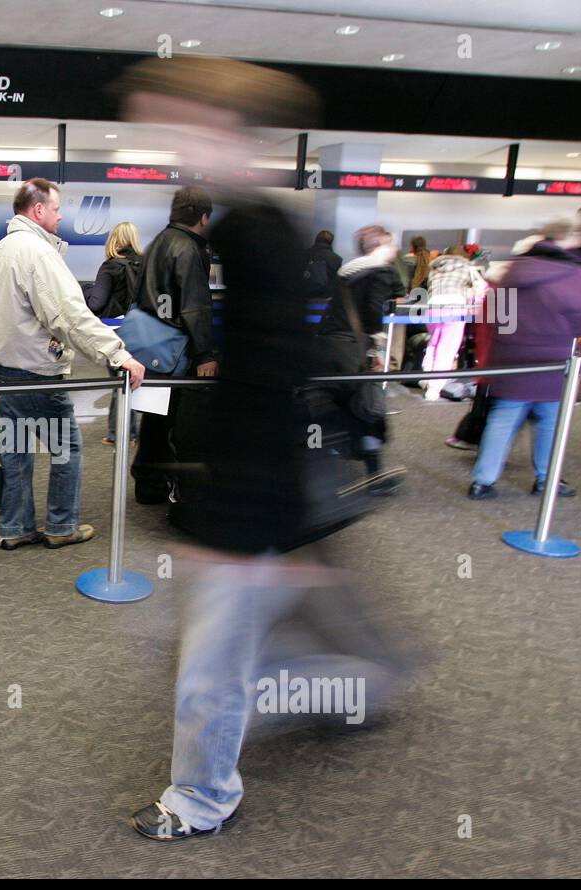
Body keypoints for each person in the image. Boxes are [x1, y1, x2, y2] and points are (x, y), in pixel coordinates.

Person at [115, 55, 409, 843]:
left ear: (218, 128)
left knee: (210, 667)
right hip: (253, 488)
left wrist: (247, 515)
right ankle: (362, 684)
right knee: (217, 651)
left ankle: (202, 797)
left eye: (178, 123)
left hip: (254, 491)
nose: (171, 142)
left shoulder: (257, 231)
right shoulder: (252, 224)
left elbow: (272, 379)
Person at [0, 178, 145, 550]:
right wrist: (118, 354)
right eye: (56, 208)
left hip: (2, 370)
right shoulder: (37, 254)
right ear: (38, 211)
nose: (61, 214)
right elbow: (70, 317)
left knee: (16, 452)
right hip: (36, 373)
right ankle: (61, 525)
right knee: (67, 449)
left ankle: (15, 527)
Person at [467, 217, 581, 500]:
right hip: (554, 358)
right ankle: (546, 479)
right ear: (573, 239)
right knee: (552, 421)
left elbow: (496, 315)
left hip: (511, 356)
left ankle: (483, 481)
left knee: (503, 418)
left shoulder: (513, 269)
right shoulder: (573, 274)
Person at [131, 186, 217, 503]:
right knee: (173, 422)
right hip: (175, 350)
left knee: (154, 419)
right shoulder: (188, 249)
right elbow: (195, 306)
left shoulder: (158, 243)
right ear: (204, 217)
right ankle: (162, 483)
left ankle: (147, 482)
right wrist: (206, 352)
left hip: (149, 344)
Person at [315, 224, 401, 490]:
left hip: (329, 346)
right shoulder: (380, 273)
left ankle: (326, 462)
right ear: (377, 247)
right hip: (353, 350)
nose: (394, 249)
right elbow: (373, 311)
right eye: (390, 244)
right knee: (368, 407)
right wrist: (377, 345)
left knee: (336, 403)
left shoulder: (346, 271)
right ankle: (374, 472)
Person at [87, 221, 145, 445]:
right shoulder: (146, 264)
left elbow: (96, 303)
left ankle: (118, 433)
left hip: (117, 332)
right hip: (142, 330)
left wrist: (88, 290)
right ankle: (136, 432)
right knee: (138, 380)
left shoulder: (110, 266)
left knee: (120, 382)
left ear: (114, 240)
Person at [420, 244, 486, 401]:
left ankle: (425, 375)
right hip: (455, 308)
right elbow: (481, 289)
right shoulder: (468, 268)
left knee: (434, 342)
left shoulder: (435, 269)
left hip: (432, 308)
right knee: (447, 348)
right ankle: (434, 389)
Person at [303, 229, 341, 300]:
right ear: (331, 242)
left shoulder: (305, 254)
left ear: (316, 239)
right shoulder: (337, 259)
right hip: (326, 298)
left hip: (304, 297)